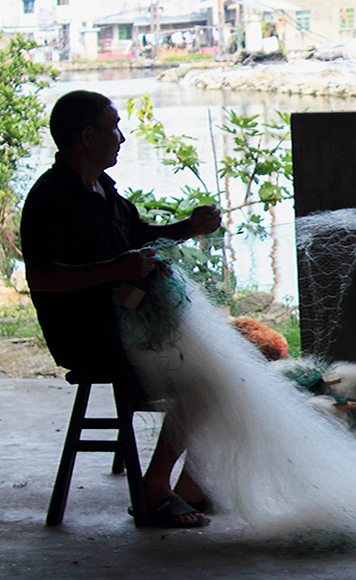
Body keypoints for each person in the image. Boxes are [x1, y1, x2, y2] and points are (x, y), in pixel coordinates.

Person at [20, 90, 221, 528]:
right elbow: (43, 277)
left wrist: (190, 226)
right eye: (114, 127)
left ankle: (187, 487)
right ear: (87, 136)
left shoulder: (105, 191)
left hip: (122, 326)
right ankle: (155, 489)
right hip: (88, 337)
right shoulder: (49, 198)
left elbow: (139, 236)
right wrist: (115, 269)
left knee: (221, 371)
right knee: (206, 382)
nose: (122, 137)